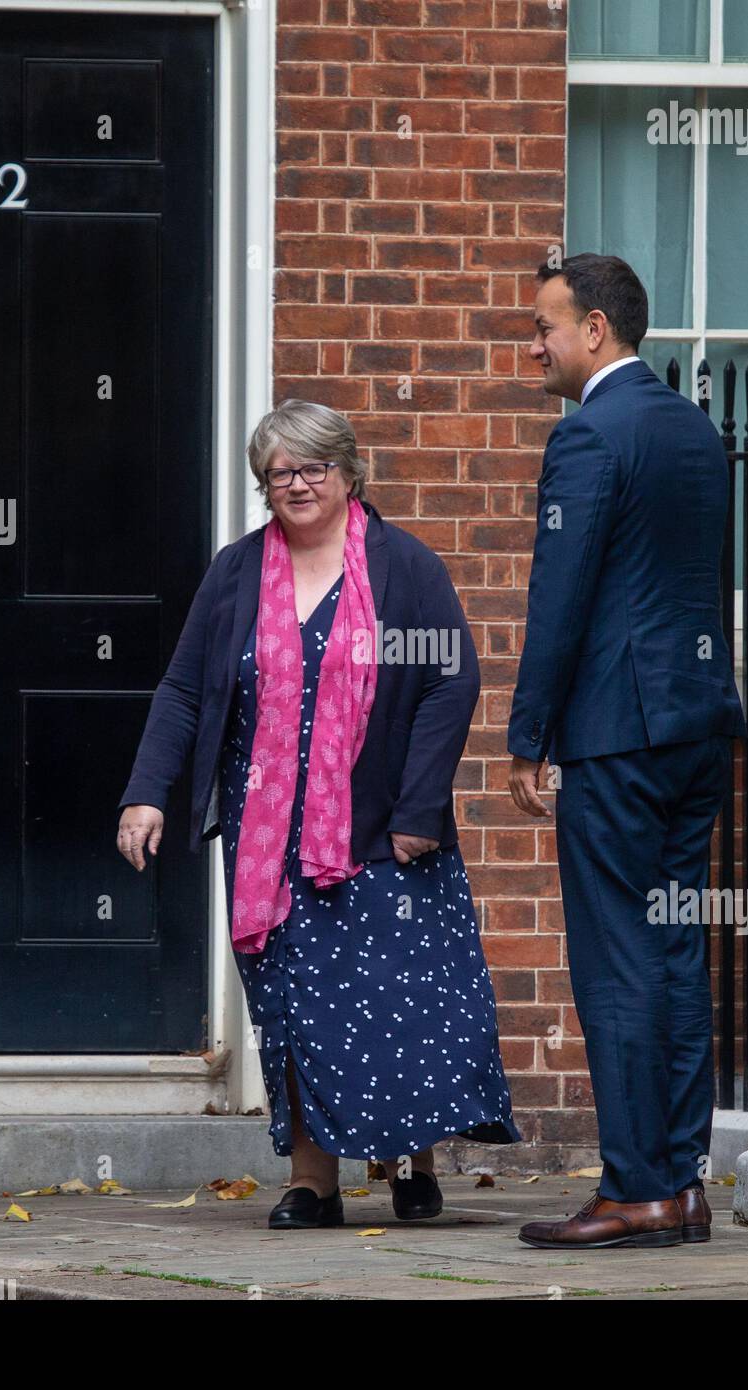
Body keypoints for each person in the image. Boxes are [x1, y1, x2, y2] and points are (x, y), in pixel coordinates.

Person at [117, 399, 520, 1230]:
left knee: (400, 999)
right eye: (279, 472)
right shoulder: (234, 575)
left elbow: (453, 682)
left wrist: (419, 807)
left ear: (348, 473)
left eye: (312, 468)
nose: (296, 484)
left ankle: (414, 1161)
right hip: (272, 843)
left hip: (382, 833)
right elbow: (186, 689)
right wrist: (146, 792)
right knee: (297, 1007)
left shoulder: (405, 567)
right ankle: (314, 1183)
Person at [507, 254, 747, 1250]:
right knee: (672, 951)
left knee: (614, 961)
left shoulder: (587, 438)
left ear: (595, 329)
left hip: (615, 735)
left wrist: (527, 736)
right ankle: (679, 1184)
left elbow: (558, 597)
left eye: (545, 327)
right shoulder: (695, 429)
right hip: (697, 727)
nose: (533, 346)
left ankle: (635, 1188)